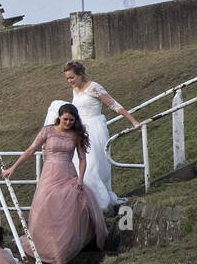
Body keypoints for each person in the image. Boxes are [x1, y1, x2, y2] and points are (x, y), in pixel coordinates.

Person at [3, 104, 107, 264]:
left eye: (71, 120)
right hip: (49, 176)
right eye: (65, 119)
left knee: (67, 214)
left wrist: (80, 179)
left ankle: (62, 259)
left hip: (68, 175)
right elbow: (31, 150)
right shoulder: (48, 131)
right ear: (59, 116)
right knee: (47, 213)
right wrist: (12, 168)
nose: (68, 123)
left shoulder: (76, 135)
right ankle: (56, 257)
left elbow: (82, 159)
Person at [43, 61, 140, 211]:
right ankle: (83, 201)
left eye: (72, 77)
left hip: (95, 128)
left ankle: (98, 202)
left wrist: (133, 121)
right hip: (80, 129)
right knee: (79, 165)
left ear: (80, 74)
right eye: (67, 78)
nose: (70, 81)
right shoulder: (75, 90)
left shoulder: (94, 87)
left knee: (93, 165)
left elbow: (113, 104)